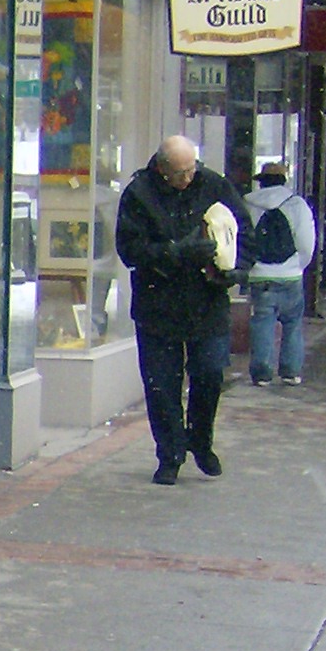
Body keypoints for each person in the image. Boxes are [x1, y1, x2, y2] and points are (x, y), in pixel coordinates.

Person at [115, 135, 247, 483]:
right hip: (157, 304)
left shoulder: (213, 185)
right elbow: (130, 250)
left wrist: (237, 270)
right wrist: (174, 252)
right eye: (179, 173)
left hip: (207, 301)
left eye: (191, 170)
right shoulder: (139, 193)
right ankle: (170, 453)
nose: (188, 178)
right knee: (161, 384)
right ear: (162, 169)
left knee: (210, 374)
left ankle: (200, 440)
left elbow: (243, 231)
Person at [241, 161, 315, 386]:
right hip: (290, 274)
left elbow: (242, 239)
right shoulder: (297, 204)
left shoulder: (248, 204)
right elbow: (306, 242)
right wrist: (298, 265)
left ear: (261, 181)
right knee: (292, 324)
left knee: (262, 323)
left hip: (259, 275)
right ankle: (290, 371)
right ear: (283, 181)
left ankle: (262, 373)